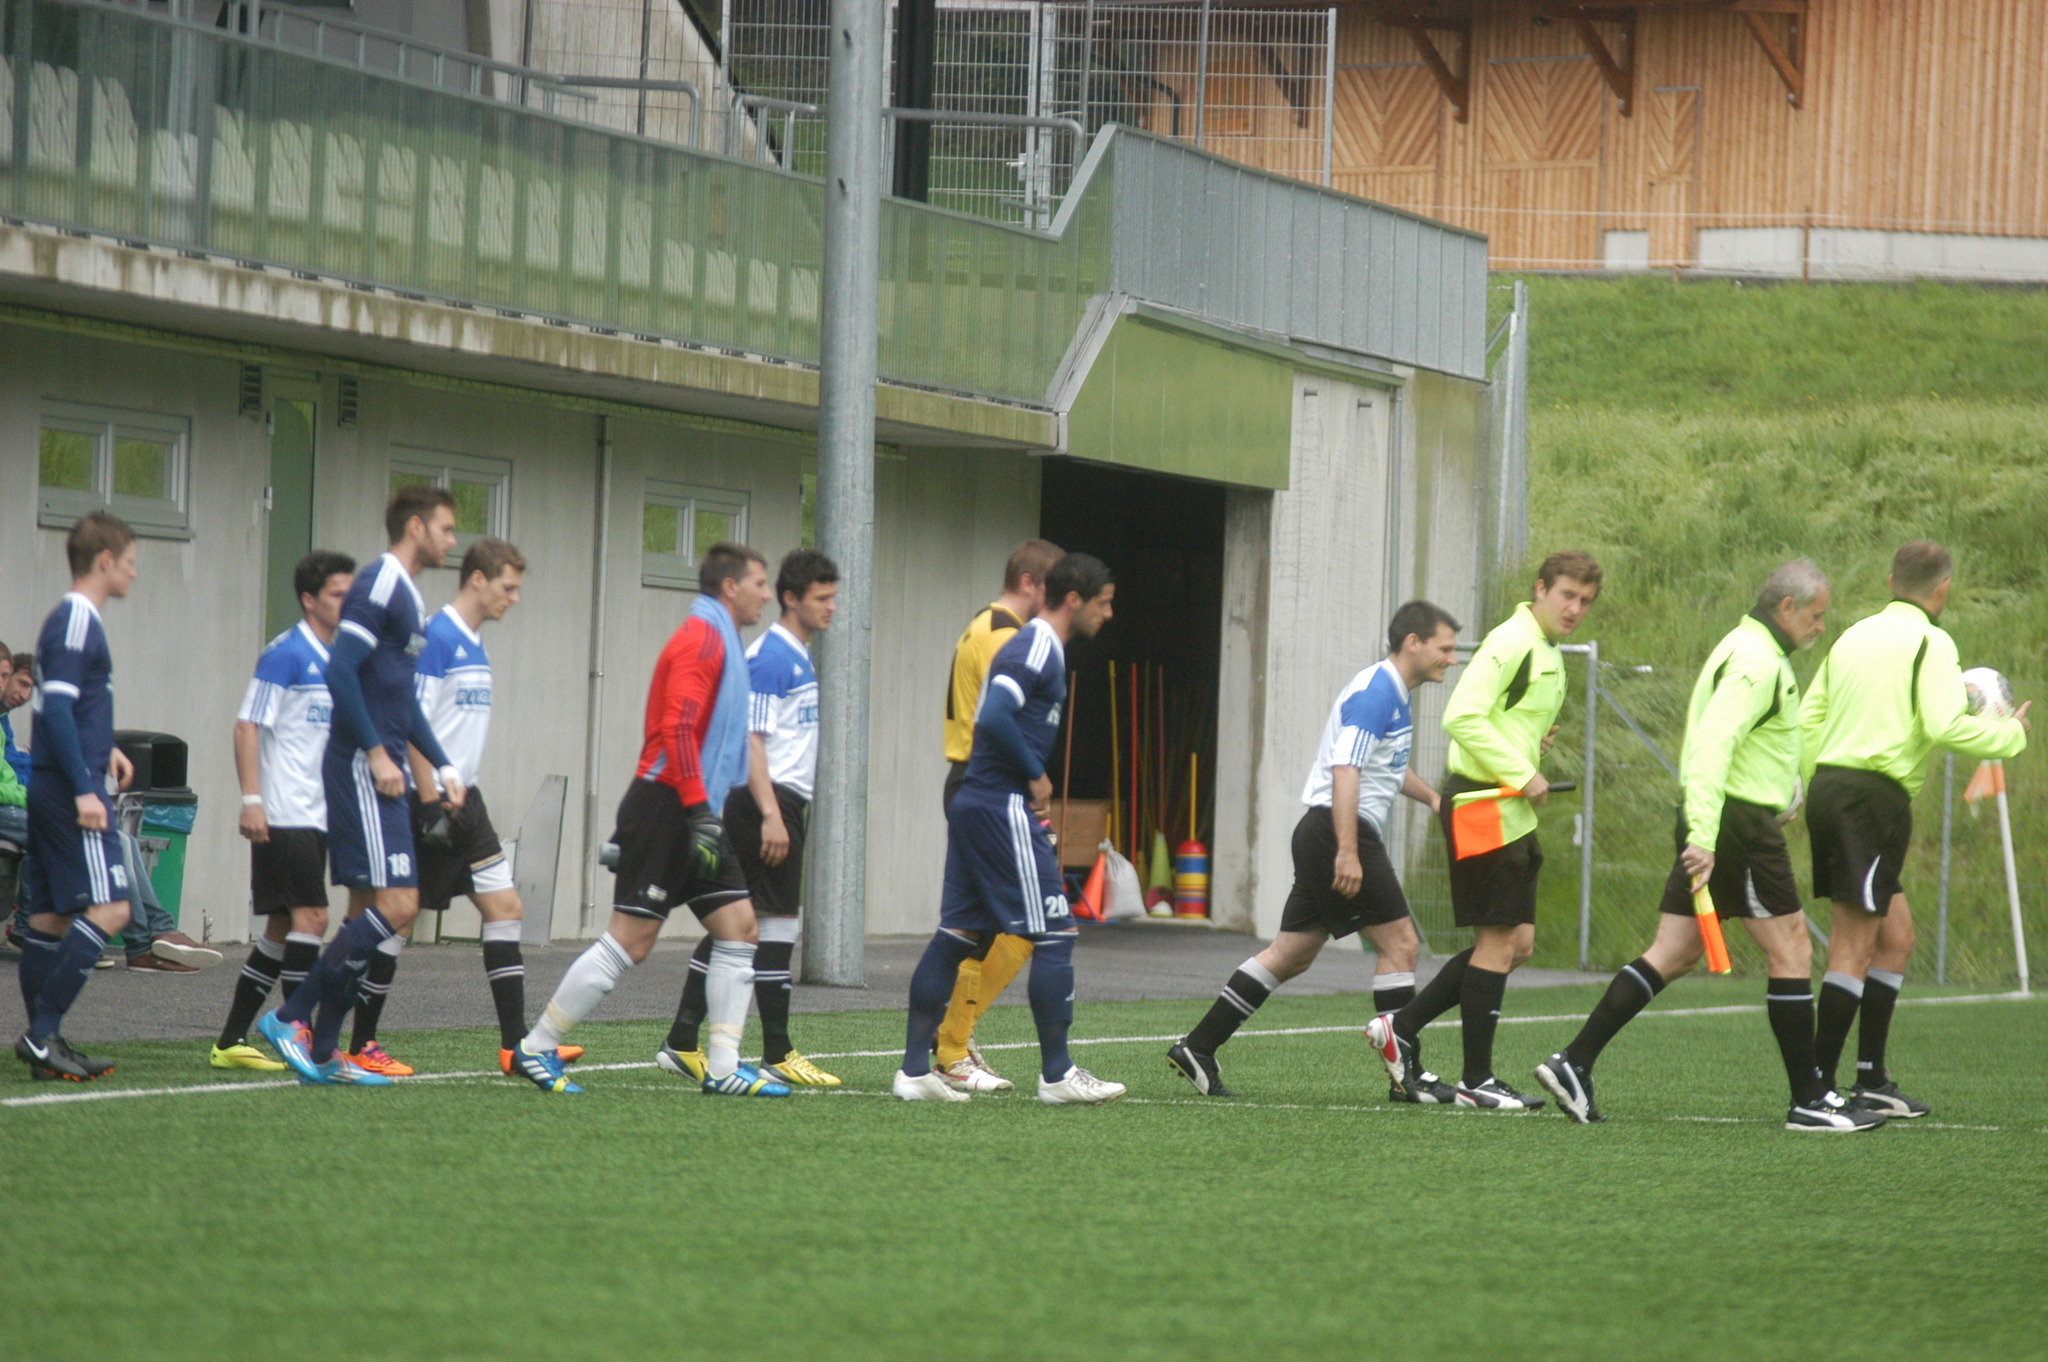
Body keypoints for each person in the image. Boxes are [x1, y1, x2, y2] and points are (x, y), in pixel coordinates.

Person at [1531, 561, 1885, 1132]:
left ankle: (1574, 1061)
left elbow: (1739, 747)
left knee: (1674, 952)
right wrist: (1705, 836)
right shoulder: (1755, 661)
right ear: (1787, 608)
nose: (1822, 627)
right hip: (1734, 826)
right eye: (1817, 616)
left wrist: (1782, 790)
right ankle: (1810, 1100)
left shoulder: (1748, 648)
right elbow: (1710, 749)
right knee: (1792, 949)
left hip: (1723, 820)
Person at [511, 543, 786, 1098]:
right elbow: (677, 729)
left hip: (692, 808)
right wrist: (699, 812)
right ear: (729, 587)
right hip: (667, 807)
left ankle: (724, 1067)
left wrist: (703, 812)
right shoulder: (702, 639)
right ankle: (536, 1047)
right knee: (631, 941)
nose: (767, 594)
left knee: (740, 928)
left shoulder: (722, 638)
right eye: (759, 583)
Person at [1168, 600, 1460, 1098]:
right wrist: (1347, 850)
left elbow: (1383, 766)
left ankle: (1198, 1046)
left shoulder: (1393, 693)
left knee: (1291, 954)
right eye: (1445, 648)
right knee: (1401, 944)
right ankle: (1405, 1073)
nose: (1451, 659)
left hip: (1325, 832)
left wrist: (1432, 797)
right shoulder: (1377, 693)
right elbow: (1345, 770)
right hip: (1337, 832)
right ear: (1414, 643)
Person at [1799, 541, 2029, 1119]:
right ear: (1943, 588)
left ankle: (1871, 1079)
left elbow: (1809, 717)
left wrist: (1814, 782)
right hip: (1871, 801)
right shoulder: (1933, 642)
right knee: (1853, 942)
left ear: (1890, 581)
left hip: (1833, 791)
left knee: (1896, 936)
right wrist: (2010, 736)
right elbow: (1944, 724)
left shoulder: (1853, 635)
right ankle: (1815, 1093)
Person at [255, 486, 469, 1088]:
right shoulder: (380, 583)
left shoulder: (408, 594)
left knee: (362, 915)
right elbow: (342, 670)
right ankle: (288, 1018)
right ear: (416, 527)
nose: (453, 541)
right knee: (398, 907)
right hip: (364, 768)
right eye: (446, 529)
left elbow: (399, 696)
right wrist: (375, 752)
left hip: (388, 765)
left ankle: (325, 1054)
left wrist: (443, 764)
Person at [894, 552, 1124, 1105]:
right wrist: (1034, 773)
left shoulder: (1034, 643)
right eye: (1103, 602)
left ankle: (914, 1071)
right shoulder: (1039, 643)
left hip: (976, 800)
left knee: (956, 934)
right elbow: (994, 714)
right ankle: (1058, 1075)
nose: (1109, 614)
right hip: (1001, 804)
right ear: (1074, 600)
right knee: (1056, 930)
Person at [1378, 551, 1602, 1111]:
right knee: (1499, 943)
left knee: (1516, 945)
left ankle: (1400, 1028)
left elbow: (1503, 720)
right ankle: (1477, 1079)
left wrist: (1533, 746)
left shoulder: (1546, 648)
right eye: (1567, 595)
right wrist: (1522, 770)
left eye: (1585, 600)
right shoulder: (1512, 641)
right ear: (1541, 589)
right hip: (1483, 804)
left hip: (1509, 809)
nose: (1575, 608)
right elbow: (1461, 716)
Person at [661, 548, 840, 1087]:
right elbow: (751, 740)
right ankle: (776, 1051)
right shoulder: (770, 656)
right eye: (821, 598)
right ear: (791, 598)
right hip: (763, 801)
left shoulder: (796, 653)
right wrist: (770, 814)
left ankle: (682, 1039)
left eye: (833, 598)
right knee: (768, 923)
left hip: (782, 801)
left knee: (741, 923)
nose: (831, 607)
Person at [208, 551, 355, 1069]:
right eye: (337, 594)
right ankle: (303, 1037)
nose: (347, 603)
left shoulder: (340, 656)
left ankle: (229, 1041)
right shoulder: (286, 653)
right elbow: (247, 725)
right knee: (313, 918)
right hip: (284, 810)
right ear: (309, 600)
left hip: (316, 813)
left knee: (279, 928)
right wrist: (252, 801)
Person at [931, 538, 1061, 1094]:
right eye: (1055, 588)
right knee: (1022, 923)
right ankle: (950, 1043)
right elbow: (1002, 719)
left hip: (973, 782)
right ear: (1030, 583)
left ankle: (950, 1040)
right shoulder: (1009, 637)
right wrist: (1034, 776)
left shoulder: (982, 625)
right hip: (989, 785)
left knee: (985, 923)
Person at [13, 513, 139, 1081]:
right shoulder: (77, 619)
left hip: (56, 785)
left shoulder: (73, 621)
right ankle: (41, 1035)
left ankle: (47, 1045)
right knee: (112, 909)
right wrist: (87, 787)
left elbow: (68, 706)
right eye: (130, 562)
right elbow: (58, 710)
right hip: (70, 791)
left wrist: (105, 746)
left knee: (49, 918)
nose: (134, 572)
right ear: (105, 560)